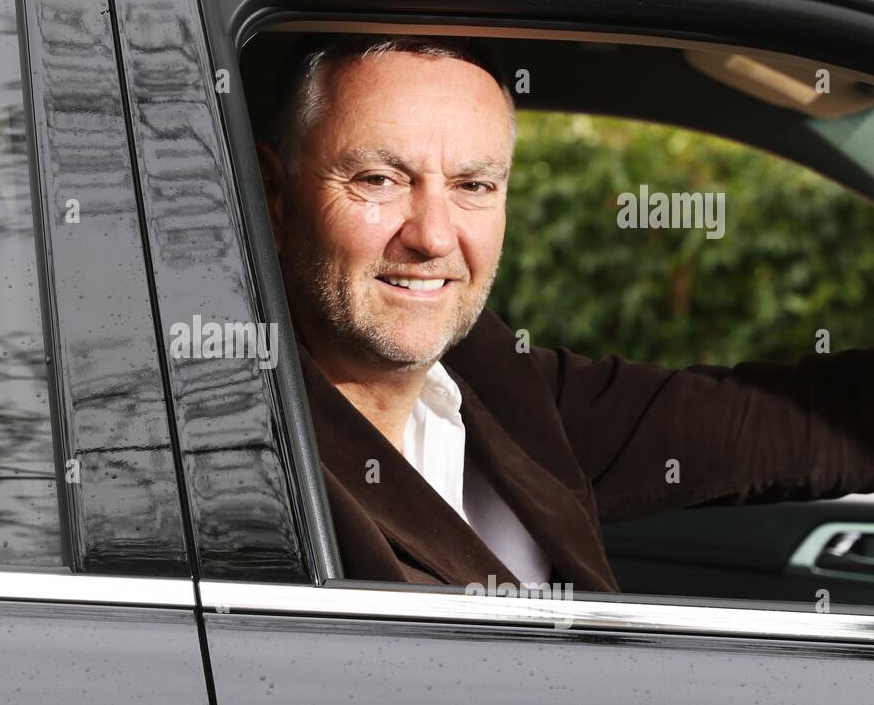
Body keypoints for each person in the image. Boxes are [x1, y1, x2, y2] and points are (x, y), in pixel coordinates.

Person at [256, 34, 874, 591]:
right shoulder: (231, 448)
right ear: (275, 198)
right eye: (379, 179)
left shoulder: (500, 381)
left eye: (474, 186)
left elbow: (797, 428)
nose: (434, 237)